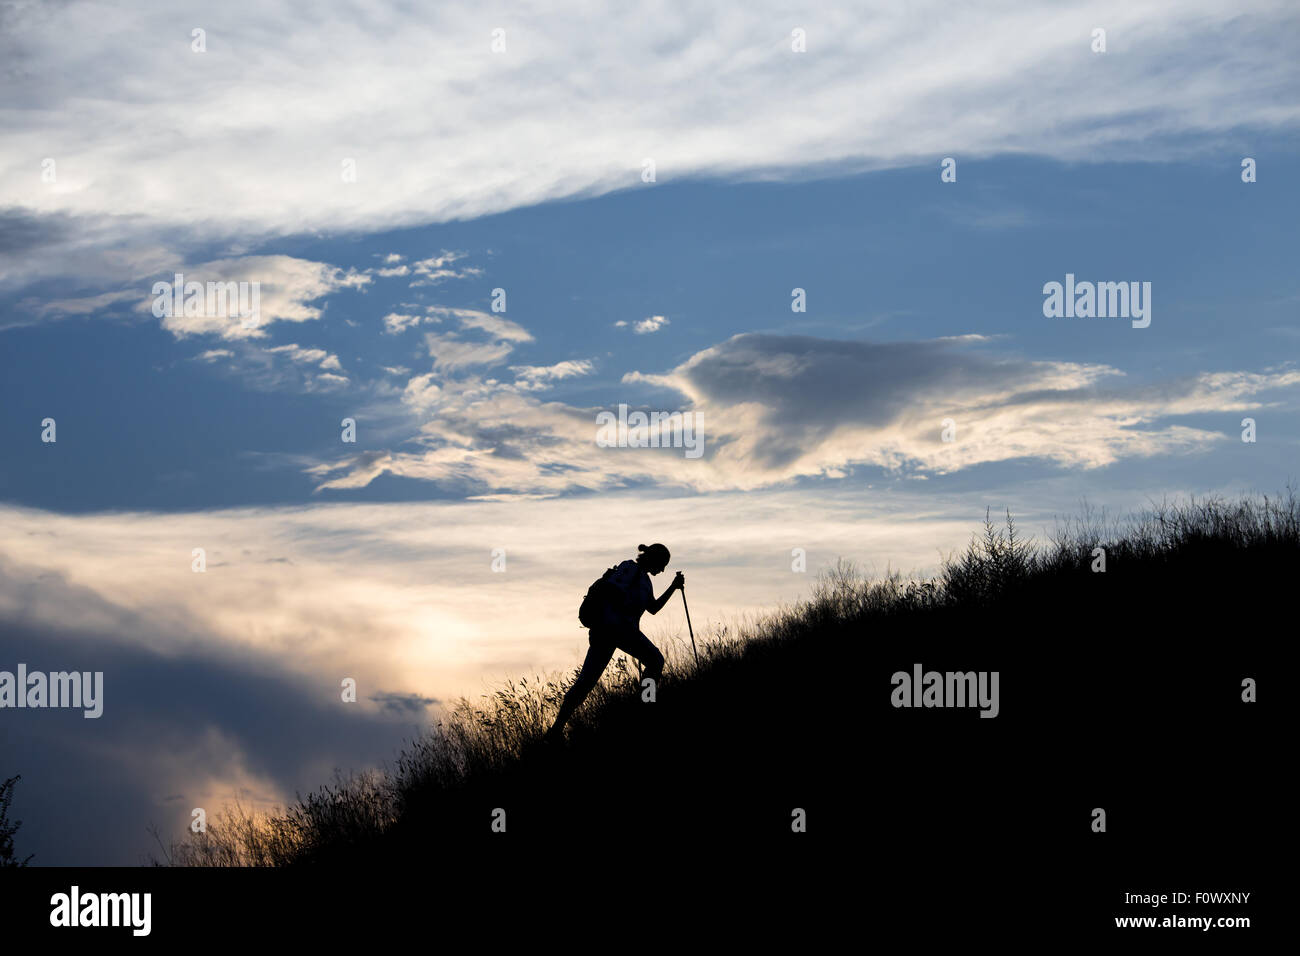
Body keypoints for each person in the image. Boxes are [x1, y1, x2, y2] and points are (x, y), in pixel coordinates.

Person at [546, 543, 683, 741]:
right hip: (615, 628)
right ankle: (646, 705)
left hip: (614, 630)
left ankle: (556, 729)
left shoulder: (645, 580)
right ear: (653, 559)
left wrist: (673, 587)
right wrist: (621, 612)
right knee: (655, 661)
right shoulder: (629, 567)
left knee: (586, 681)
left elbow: (653, 608)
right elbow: (612, 589)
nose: (662, 570)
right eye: (662, 564)